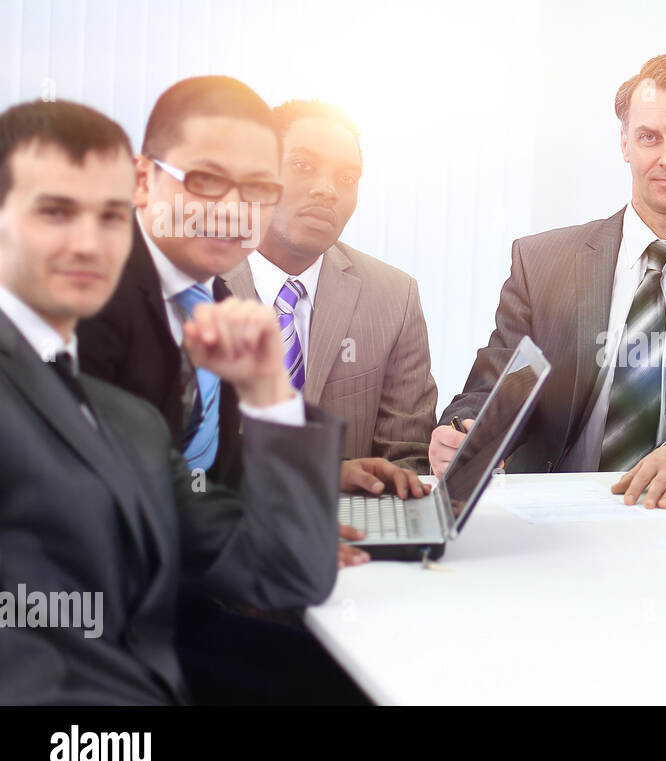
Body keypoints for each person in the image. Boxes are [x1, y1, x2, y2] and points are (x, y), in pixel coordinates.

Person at [0, 99, 339, 705]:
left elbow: (288, 571)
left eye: (109, 218)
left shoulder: (125, 421)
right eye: (55, 212)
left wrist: (269, 395)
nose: (90, 243)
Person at [76, 77, 424, 571]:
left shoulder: (206, 294)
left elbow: (205, 471)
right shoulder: (89, 297)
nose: (235, 206)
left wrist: (318, 477)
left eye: (257, 187)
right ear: (142, 181)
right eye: (206, 180)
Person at [434, 54, 666, 509]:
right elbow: (494, 384)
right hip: (551, 508)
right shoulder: (541, 261)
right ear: (625, 144)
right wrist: (461, 427)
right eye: (649, 137)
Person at [221, 99, 438, 472]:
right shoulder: (184, 287)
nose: (327, 190)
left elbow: (407, 459)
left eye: (347, 179)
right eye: (302, 166)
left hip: (352, 526)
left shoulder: (393, 298)